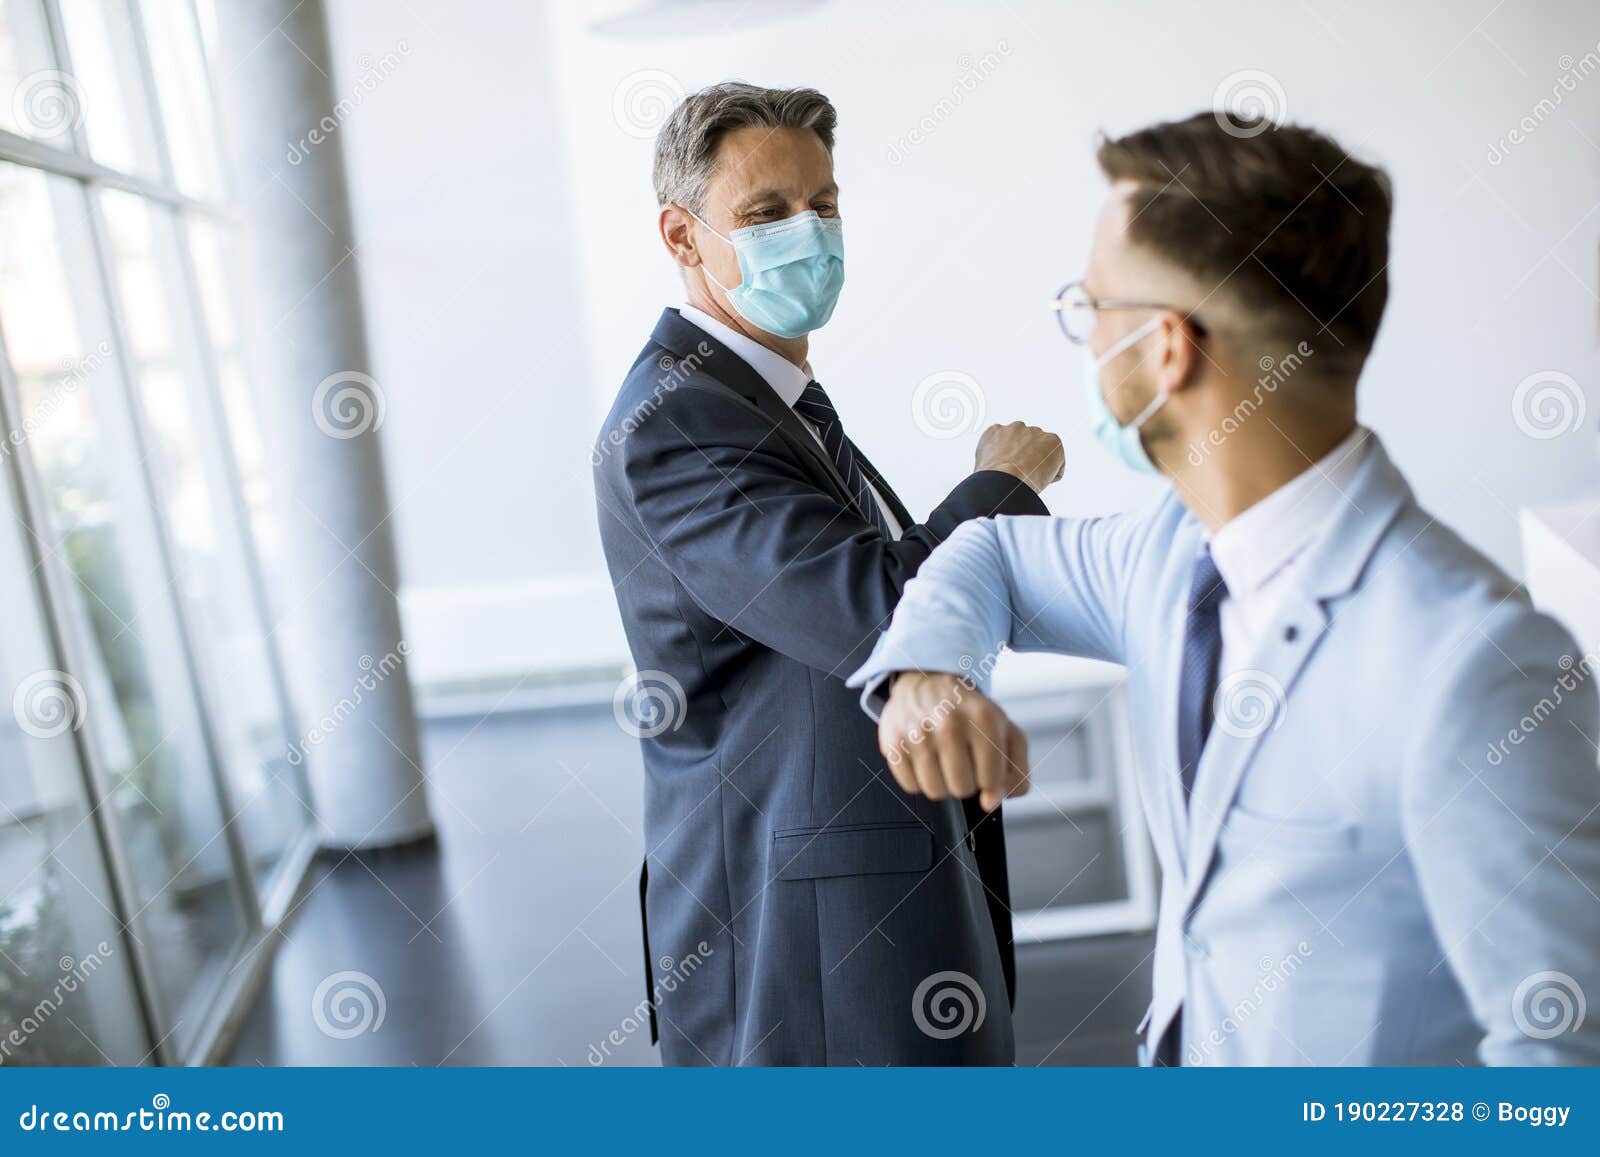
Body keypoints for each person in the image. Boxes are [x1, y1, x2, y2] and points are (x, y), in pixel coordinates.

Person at [850, 112, 1600, 1066]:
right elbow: (990, 551)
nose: (1083, 343)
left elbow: (1565, 1067)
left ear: (1167, 348)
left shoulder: (1473, 663)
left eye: (1092, 309)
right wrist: (929, 668)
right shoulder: (1172, 551)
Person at [592, 81, 1064, 1065]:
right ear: (682, 237)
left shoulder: (774, 400)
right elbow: (881, 607)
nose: (808, 235)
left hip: (864, 884)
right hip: (806, 927)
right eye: (766, 213)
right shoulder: (677, 424)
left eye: (824, 205)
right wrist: (1000, 482)